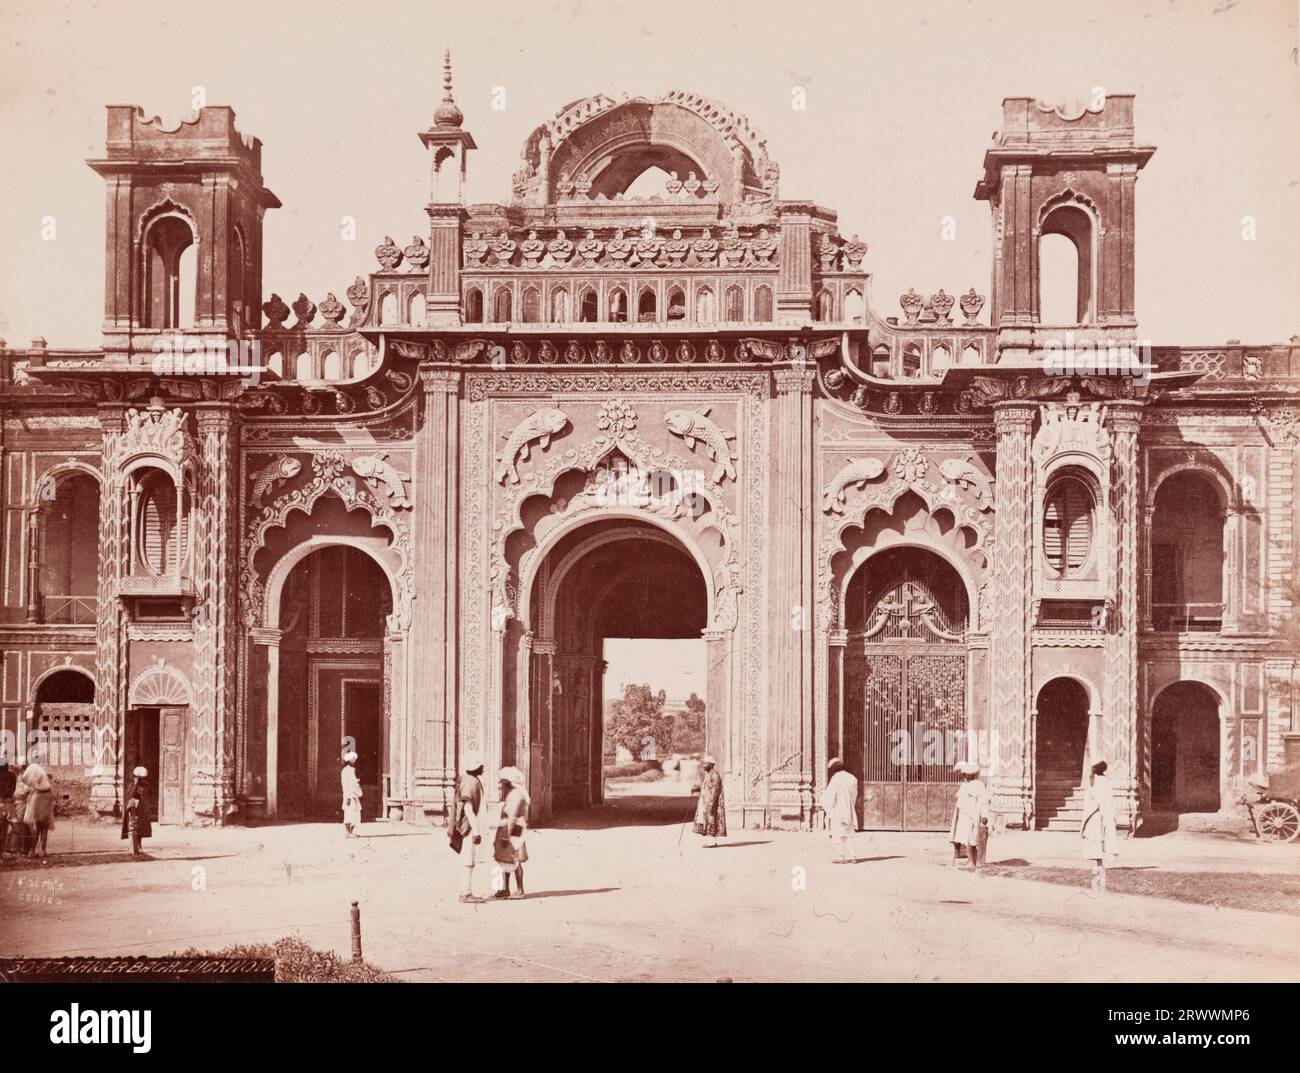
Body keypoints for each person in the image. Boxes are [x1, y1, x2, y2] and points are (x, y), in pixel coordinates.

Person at [451, 752, 486, 904]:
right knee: (468, 860)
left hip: (468, 826)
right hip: (468, 827)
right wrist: (476, 832)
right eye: (481, 765)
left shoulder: (469, 780)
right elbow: (468, 809)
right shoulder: (471, 783)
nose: (483, 767)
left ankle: (465, 891)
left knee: (469, 859)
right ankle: (465, 893)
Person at [491, 766, 529, 900]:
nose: (501, 785)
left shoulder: (515, 795)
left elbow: (512, 816)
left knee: (514, 858)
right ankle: (504, 889)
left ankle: (519, 890)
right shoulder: (515, 793)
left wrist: (506, 834)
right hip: (512, 827)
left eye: (502, 782)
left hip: (513, 828)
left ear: (508, 782)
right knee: (504, 859)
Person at [1081, 759, 1118, 893]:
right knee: (1098, 839)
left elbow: (1094, 796)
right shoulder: (1103, 781)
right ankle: (1098, 863)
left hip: (1096, 814)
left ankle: (1099, 864)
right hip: (1099, 813)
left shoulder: (1097, 781)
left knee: (1096, 839)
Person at [949, 761, 989, 874]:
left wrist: (984, 815)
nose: (964, 776)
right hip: (966, 814)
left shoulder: (976, 785)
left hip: (972, 815)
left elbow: (983, 801)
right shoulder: (968, 785)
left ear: (971, 774)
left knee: (970, 839)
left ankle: (972, 862)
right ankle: (972, 862)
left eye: (966, 774)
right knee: (968, 839)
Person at [823, 758, 859, 863]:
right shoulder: (851, 777)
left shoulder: (835, 779)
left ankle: (841, 857)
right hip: (848, 810)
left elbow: (830, 796)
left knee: (837, 834)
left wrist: (827, 805)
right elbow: (854, 794)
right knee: (849, 835)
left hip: (837, 810)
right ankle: (853, 857)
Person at [20, 755, 54, 858]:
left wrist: (33, 785)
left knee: (38, 825)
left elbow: (24, 778)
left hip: (39, 796)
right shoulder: (42, 769)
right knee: (45, 825)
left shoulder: (32, 767)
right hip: (47, 795)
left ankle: (32, 851)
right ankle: (43, 850)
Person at [693, 756, 726, 847]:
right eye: (703, 764)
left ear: (711, 765)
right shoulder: (708, 775)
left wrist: (711, 803)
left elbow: (715, 790)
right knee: (706, 820)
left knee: (711, 820)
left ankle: (712, 842)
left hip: (711, 803)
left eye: (706, 764)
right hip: (705, 802)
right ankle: (710, 841)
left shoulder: (715, 775)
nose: (704, 766)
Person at [121, 765, 153, 856]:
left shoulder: (145, 787)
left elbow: (146, 798)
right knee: (133, 828)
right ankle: (132, 846)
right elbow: (130, 796)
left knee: (141, 830)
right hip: (134, 810)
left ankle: (139, 846)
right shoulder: (132, 785)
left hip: (142, 811)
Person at [340, 753, 363, 837]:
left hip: (354, 794)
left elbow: (354, 782)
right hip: (349, 794)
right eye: (353, 759)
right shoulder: (346, 770)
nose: (355, 761)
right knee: (349, 813)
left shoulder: (353, 770)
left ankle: (351, 831)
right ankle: (348, 832)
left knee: (355, 813)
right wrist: (348, 797)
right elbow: (346, 784)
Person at [0, 758, 15, 858]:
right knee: (6, 828)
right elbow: (14, 788)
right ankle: (4, 850)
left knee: (2, 828)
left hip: (1, 801)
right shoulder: (12, 776)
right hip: (9, 802)